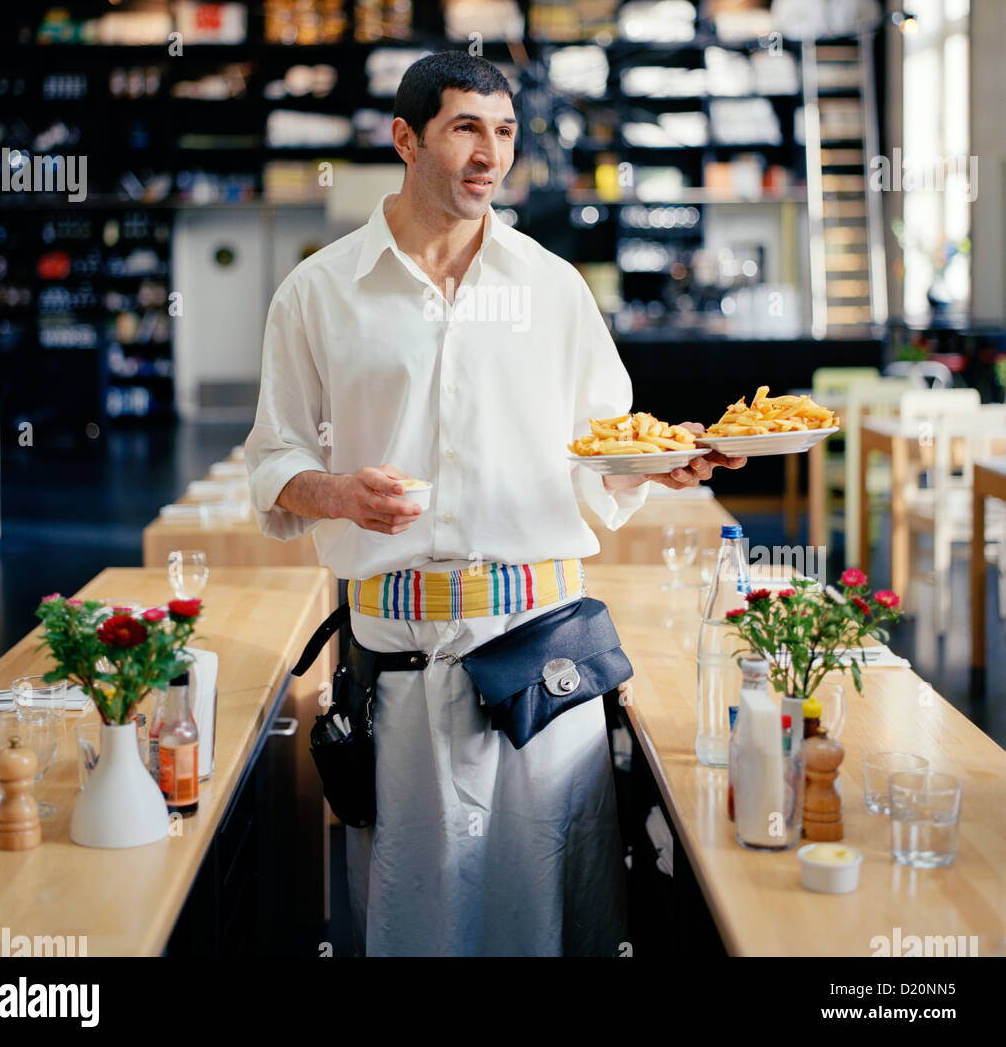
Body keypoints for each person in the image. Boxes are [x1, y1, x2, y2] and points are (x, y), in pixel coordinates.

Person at [245, 51, 746, 956]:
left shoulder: (552, 289)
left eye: (505, 131)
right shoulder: (318, 294)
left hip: (540, 660)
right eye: (465, 128)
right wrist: (338, 492)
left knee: (551, 903)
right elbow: (272, 459)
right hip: (397, 664)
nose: (490, 154)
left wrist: (657, 461)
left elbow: (603, 447)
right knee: (417, 911)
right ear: (406, 139)